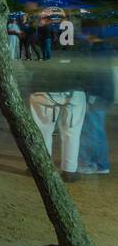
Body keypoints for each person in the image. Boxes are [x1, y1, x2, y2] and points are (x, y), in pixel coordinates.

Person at [26, 50, 88, 181]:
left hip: (43, 87)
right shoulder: (81, 39)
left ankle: (42, 168)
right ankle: (69, 171)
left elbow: (28, 63)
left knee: (43, 131)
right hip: (74, 89)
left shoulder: (40, 33)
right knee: (71, 133)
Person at [78, 28, 116, 176]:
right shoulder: (105, 49)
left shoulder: (95, 52)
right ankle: (99, 163)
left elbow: (94, 76)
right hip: (105, 94)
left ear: (90, 34)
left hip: (97, 95)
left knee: (92, 131)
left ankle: (96, 164)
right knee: (96, 130)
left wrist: (90, 98)